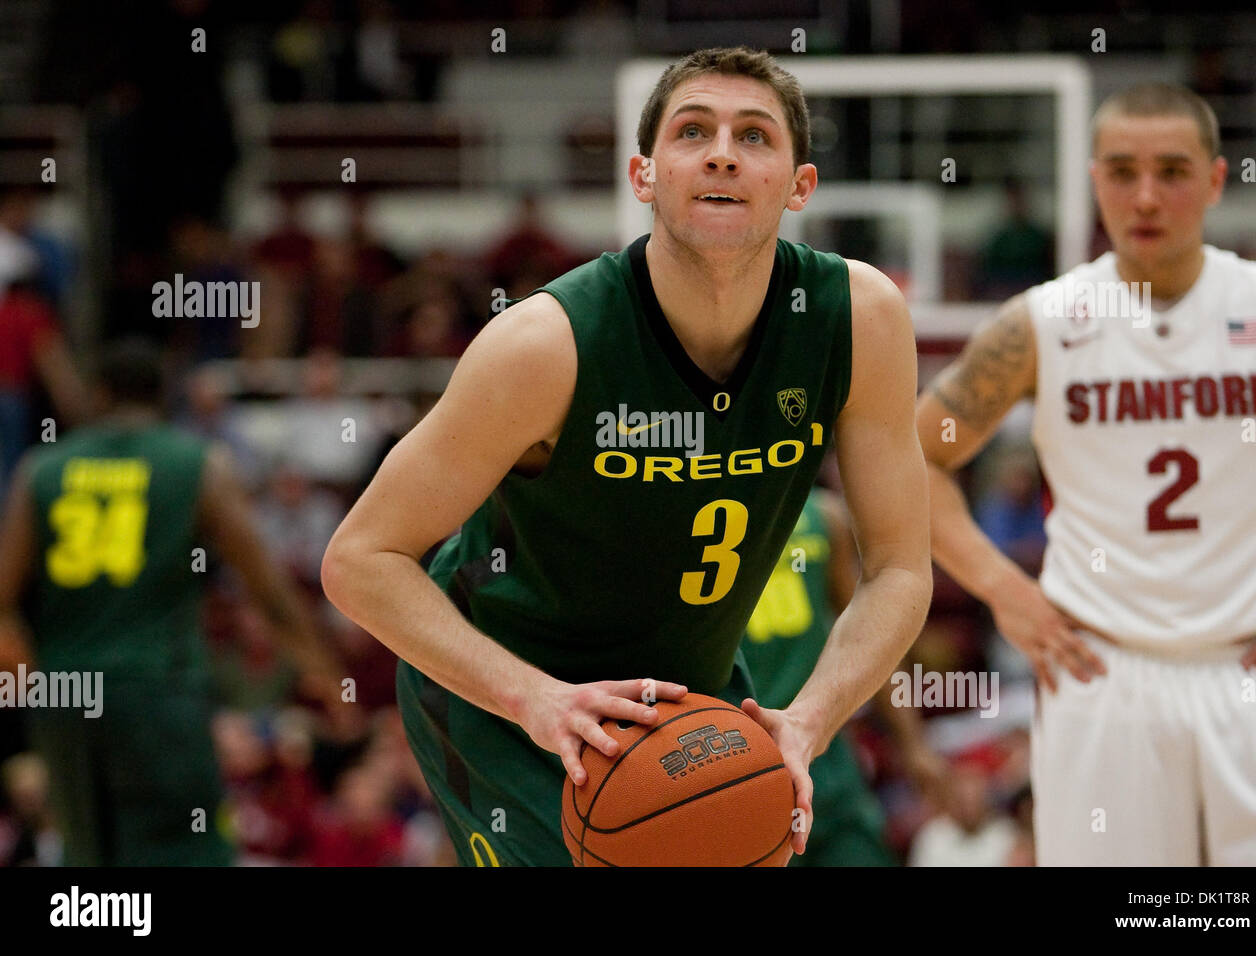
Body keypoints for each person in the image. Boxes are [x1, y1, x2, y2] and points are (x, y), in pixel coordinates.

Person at [321, 46, 932, 867]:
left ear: (800, 186)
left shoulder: (859, 318)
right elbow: (360, 559)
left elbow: (899, 568)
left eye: (754, 135)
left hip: (690, 697)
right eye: (693, 131)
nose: (722, 151)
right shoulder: (546, 346)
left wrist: (809, 719)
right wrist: (531, 698)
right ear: (644, 176)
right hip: (509, 696)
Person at [916, 82, 1256, 865]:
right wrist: (1000, 588)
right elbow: (912, 455)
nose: (1147, 195)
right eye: (1122, 171)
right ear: (1094, 180)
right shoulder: (1043, 323)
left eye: (1173, 169)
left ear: (1218, 179)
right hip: (1100, 669)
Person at [0, 338, 344, 865]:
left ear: (98, 395)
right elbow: (267, 590)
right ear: (163, 399)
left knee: (87, 862)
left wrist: (39, 680)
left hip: (65, 696)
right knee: (181, 852)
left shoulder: (39, 470)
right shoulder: (196, 464)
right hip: (157, 691)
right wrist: (323, 674)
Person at [743, 487, 948, 866]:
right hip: (740, 764)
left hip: (822, 750)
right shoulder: (687, 519)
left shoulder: (824, 516)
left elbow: (865, 631)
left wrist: (913, 744)